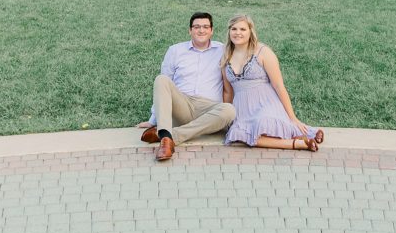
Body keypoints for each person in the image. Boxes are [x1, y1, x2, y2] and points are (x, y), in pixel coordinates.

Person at [137, 12, 236, 162]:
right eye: (196, 27)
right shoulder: (175, 50)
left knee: (229, 110)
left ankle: (167, 137)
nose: (201, 30)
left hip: (208, 108)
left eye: (205, 27)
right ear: (190, 30)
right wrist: (153, 119)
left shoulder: (223, 50)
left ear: (212, 30)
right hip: (182, 104)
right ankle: (165, 133)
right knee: (161, 79)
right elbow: (163, 87)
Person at [221, 14, 324, 151]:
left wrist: (293, 117)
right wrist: (227, 118)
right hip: (242, 108)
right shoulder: (225, 56)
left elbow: (279, 86)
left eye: (243, 29)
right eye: (234, 29)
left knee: (262, 123)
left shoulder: (263, 52)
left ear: (251, 31)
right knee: (244, 136)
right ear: (229, 31)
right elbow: (228, 91)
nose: (238, 33)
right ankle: (300, 141)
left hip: (265, 102)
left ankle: (298, 138)